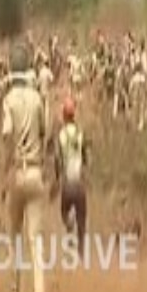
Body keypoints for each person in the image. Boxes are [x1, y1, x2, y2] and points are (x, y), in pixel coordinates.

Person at [3, 46, 48, 292]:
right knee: (36, 238)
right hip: (35, 170)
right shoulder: (37, 99)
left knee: (14, 238)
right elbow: (44, 132)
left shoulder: (8, 100)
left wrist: (4, 172)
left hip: (16, 172)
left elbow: (7, 136)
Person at [55, 96, 88, 238]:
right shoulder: (81, 133)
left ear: (64, 115)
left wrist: (58, 176)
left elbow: (57, 158)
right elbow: (85, 156)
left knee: (63, 212)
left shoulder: (61, 134)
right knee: (82, 219)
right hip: (79, 183)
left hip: (67, 183)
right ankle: (81, 250)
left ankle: (69, 223)